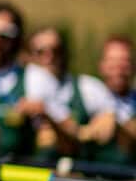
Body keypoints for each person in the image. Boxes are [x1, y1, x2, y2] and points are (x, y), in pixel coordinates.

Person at [0, 1, 66, 162]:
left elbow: (69, 144)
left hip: (18, 178)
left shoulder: (37, 79)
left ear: (17, 38)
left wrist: (47, 116)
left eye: (4, 34)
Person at [25, 26, 116, 160]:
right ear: (29, 56)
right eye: (41, 52)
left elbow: (106, 130)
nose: (49, 57)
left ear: (65, 52)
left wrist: (72, 132)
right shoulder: (17, 86)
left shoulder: (88, 86)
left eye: (56, 50)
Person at [92, 35, 136, 163]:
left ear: (133, 66)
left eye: (124, 61)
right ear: (101, 65)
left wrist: (117, 124)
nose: (118, 68)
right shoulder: (87, 96)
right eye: (112, 61)